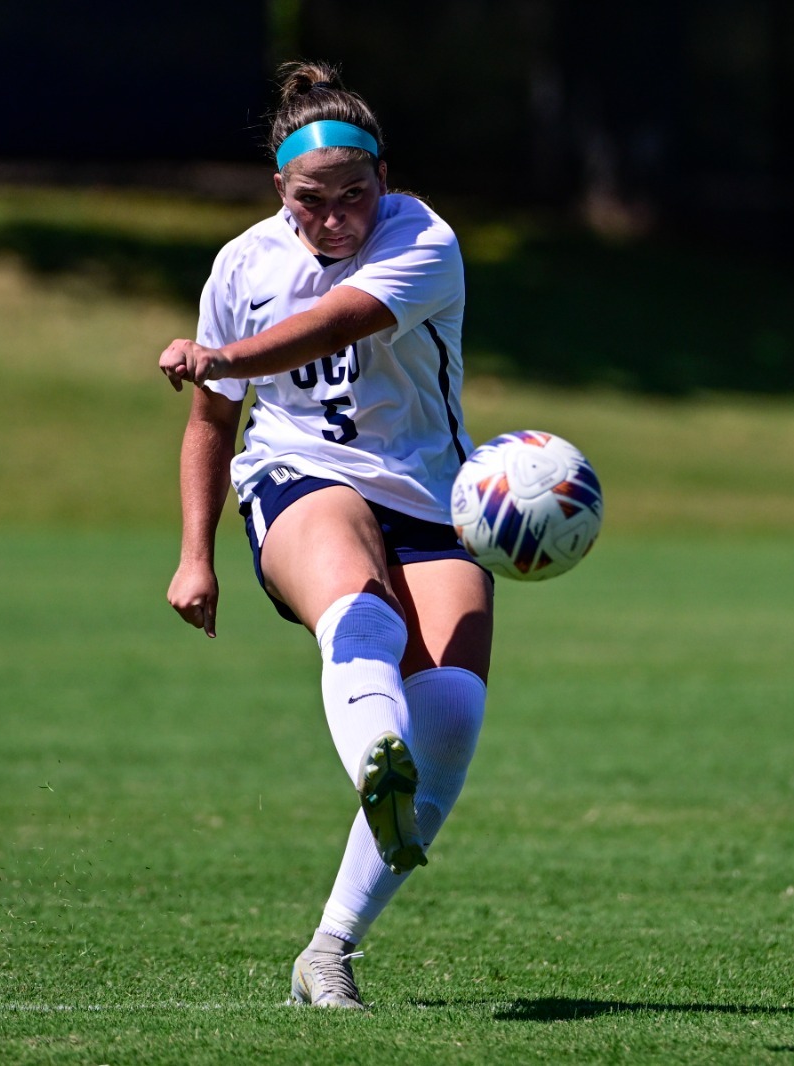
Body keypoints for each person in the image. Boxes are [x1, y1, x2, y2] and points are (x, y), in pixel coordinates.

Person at [158, 61, 492, 1010]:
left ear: (385, 176)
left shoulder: (422, 237)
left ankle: (328, 950)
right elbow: (213, 421)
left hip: (429, 495)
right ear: (279, 189)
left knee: (452, 717)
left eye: (355, 194)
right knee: (360, 604)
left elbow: (337, 321)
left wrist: (220, 355)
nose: (336, 217)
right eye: (312, 199)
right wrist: (194, 555)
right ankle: (379, 753)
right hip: (299, 476)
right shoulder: (243, 265)